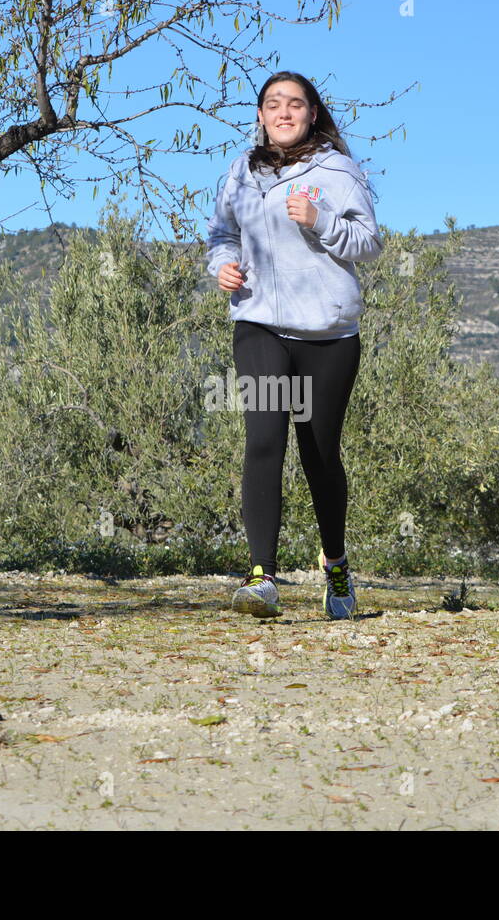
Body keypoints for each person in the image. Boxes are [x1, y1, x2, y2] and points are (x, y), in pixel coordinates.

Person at [205, 71, 383, 620]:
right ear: (260, 115)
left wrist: (322, 219)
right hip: (260, 324)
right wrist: (222, 267)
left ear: (311, 114)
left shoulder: (337, 170)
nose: (284, 113)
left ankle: (336, 566)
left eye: (295, 105)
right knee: (263, 437)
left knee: (319, 454)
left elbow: (370, 241)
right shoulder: (241, 171)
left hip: (327, 335)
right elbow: (221, 234)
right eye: (273, 104)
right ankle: (261, 577)